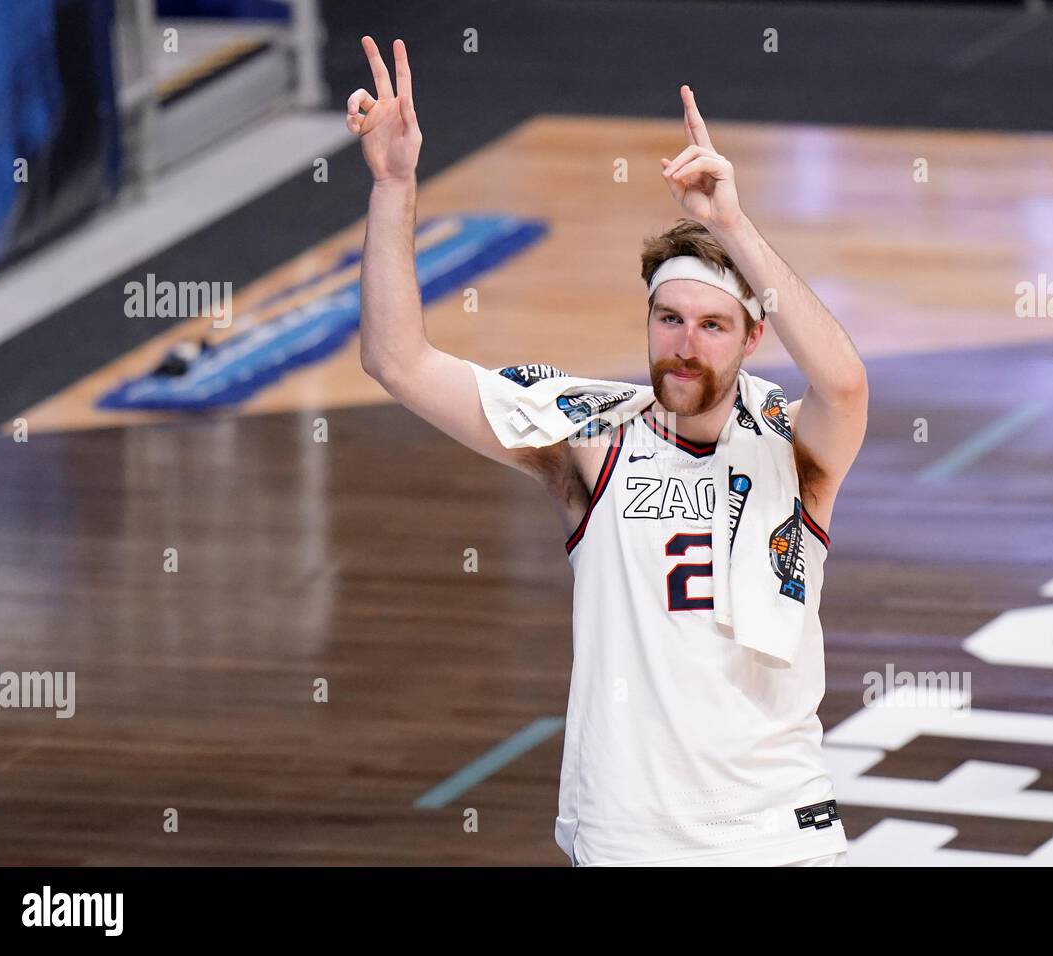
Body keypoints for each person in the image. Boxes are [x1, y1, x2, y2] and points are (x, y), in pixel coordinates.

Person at [348, 36, 868, 866]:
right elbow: (396, 361)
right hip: (629, 835)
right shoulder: (593, 437)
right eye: (669, 319)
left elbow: (845, 385)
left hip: (776, 834)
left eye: (713, 325)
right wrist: (394, 186)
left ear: (753, 334)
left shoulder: (792, 446)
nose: (685, 346)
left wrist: (731, 225)